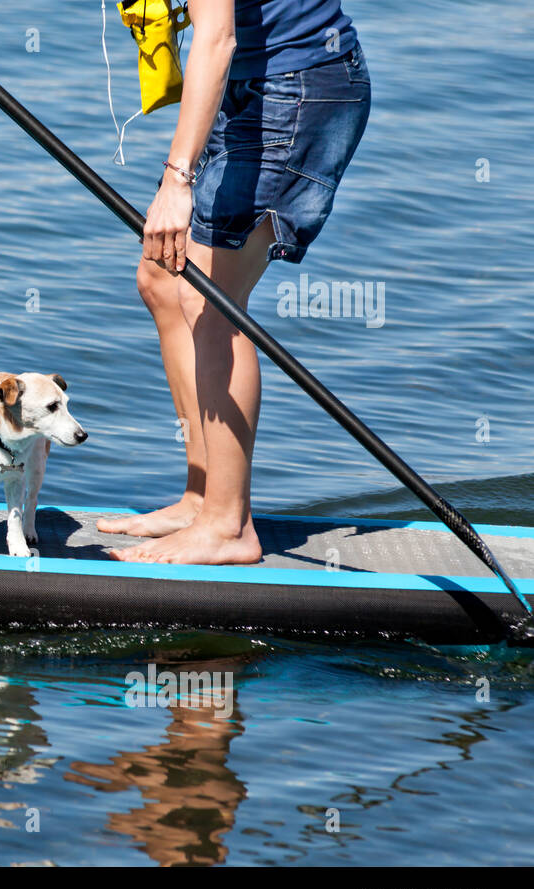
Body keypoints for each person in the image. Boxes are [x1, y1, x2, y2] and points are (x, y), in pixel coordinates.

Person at [97, 0, 370, 564]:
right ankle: (202, 496)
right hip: (250, 84)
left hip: (296, 89)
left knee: (209, 300)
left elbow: (215, 37)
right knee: (161, 277)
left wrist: (178, 178)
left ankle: (229, 526)